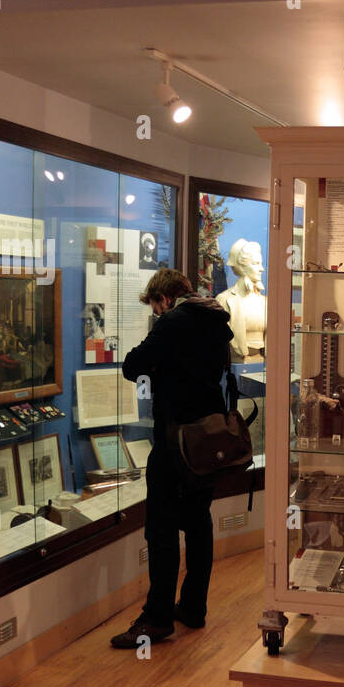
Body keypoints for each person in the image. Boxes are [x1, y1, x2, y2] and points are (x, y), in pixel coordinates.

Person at [111, 267, 232, 649]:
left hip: (174, 440)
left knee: (161, 529)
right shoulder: (216, 318)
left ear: (164, 299)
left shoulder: (175, 321)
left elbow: (133, 365)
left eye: (156, 307)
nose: (158, 312)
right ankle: (194, 606)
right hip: (207, 440)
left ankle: (158, 618)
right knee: (197, 524)